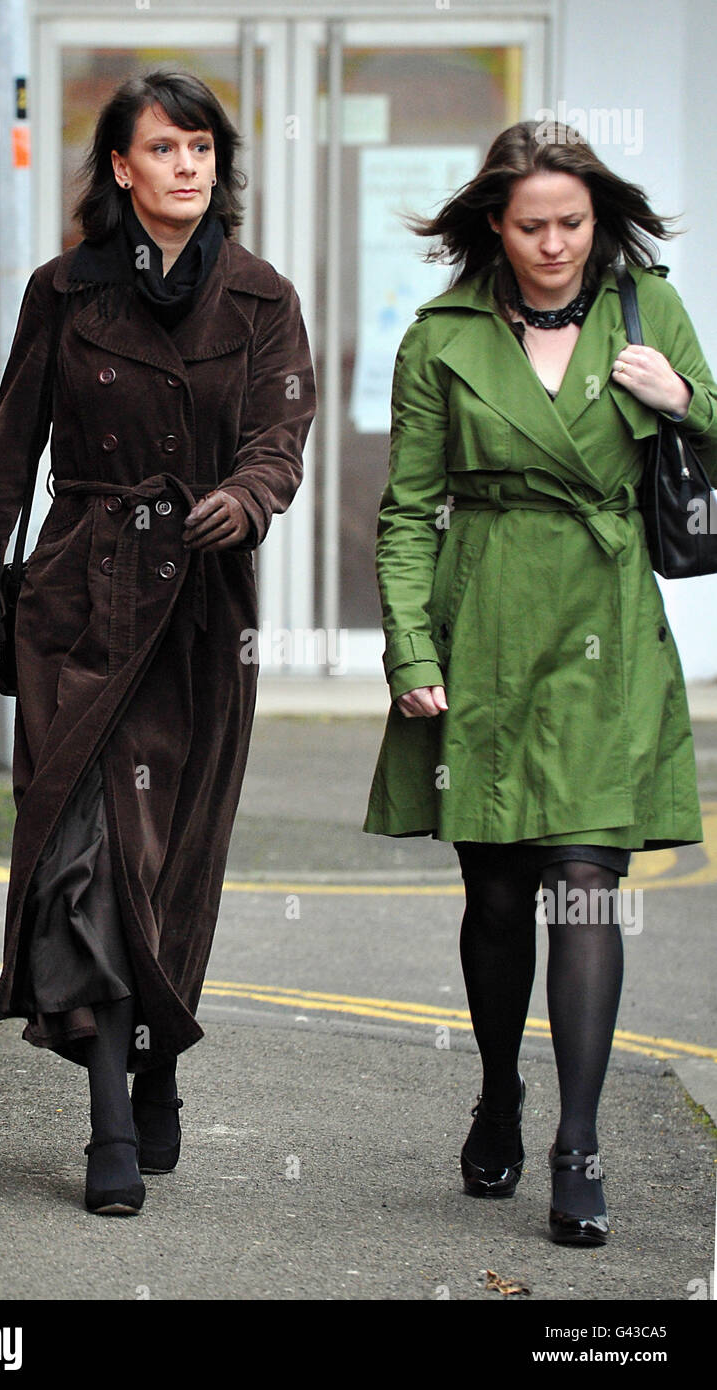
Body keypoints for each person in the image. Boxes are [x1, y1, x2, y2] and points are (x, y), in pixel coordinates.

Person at [0, 70, 316, 1215]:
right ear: (120, 167)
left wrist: (244, 498)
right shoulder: (64, 292)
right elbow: (12, 446)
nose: (186, 165)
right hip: (78, 604)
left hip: (201, 617)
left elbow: (282, 435)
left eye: (201, 147)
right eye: (163, 148)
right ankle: (109, 1121)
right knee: (84, 854)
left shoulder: (261, 299)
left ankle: (159, 1067)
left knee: (170, 860)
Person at [363, 120, 717, 1246]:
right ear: (493, 228)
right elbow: (408, 508)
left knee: (585, 881)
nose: (557, 243)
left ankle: (579, 1138)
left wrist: (686, 399)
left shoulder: (647, 310)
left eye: (573, 222)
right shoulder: (443, 336)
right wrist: (411, 649)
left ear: (597, 219)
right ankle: (501, 1087)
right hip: (489, 620)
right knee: (500, 891)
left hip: (606, 615)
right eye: (533, 226)